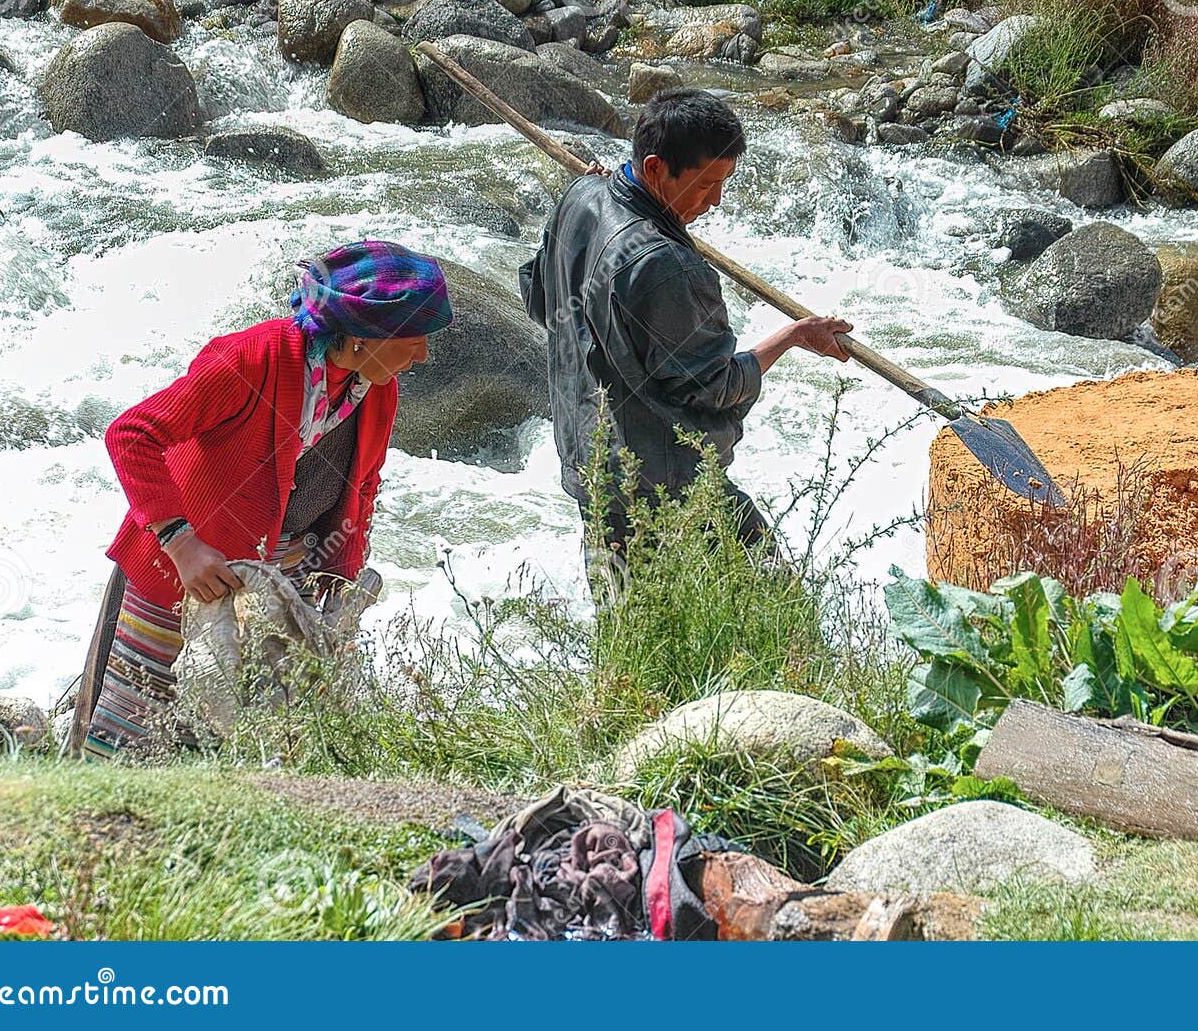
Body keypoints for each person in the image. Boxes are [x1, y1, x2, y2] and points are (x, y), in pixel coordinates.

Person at [72, 241, 453, 761]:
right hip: (186, 576)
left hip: (277, 586)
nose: (423, 356)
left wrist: (339, 583)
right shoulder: (250, 360)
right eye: (415, 339)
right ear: (367, 333)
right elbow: (131, 435)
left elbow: (362, 487)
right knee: (133, 741)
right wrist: (181, 543)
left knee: (244, 741)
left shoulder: (375, 387)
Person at [519, 88, 852, 572]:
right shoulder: (666, 266)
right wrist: (793, 337)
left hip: (593, 472)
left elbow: (539, 297)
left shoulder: (581, 196)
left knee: (629, 631)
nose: (715, 201)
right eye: (704, 185)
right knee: (778, 620)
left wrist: (592, 197)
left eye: (724, 183)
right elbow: (713, 386)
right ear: (655, 168)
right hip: (664, 489)